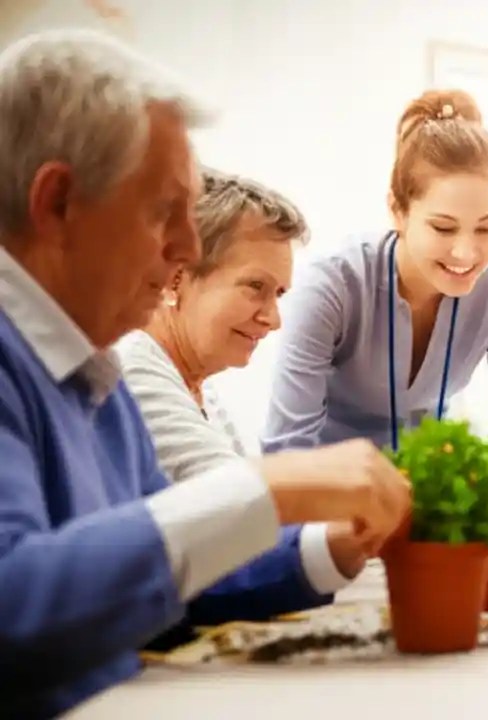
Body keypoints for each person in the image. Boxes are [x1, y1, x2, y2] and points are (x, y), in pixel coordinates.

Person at [0, 29, 411, 717]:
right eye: (164, 212)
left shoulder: (92, 378)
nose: (186, 250)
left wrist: (330, 547)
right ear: (58, 204)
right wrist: (262, 488)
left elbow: (178, 577)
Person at [260, 89, 488, 470]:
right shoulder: (334, 287)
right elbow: (287, 453)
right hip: (330, 499)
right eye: (443, 228)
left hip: (429, 493)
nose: (466, 253)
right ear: (398, 211)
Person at [116, 168, 370, 594]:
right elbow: (243, 506)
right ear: (177, 277)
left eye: (279, 295)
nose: (273, 319)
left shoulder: (199, 389)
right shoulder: (134, 366)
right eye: (256, 287)